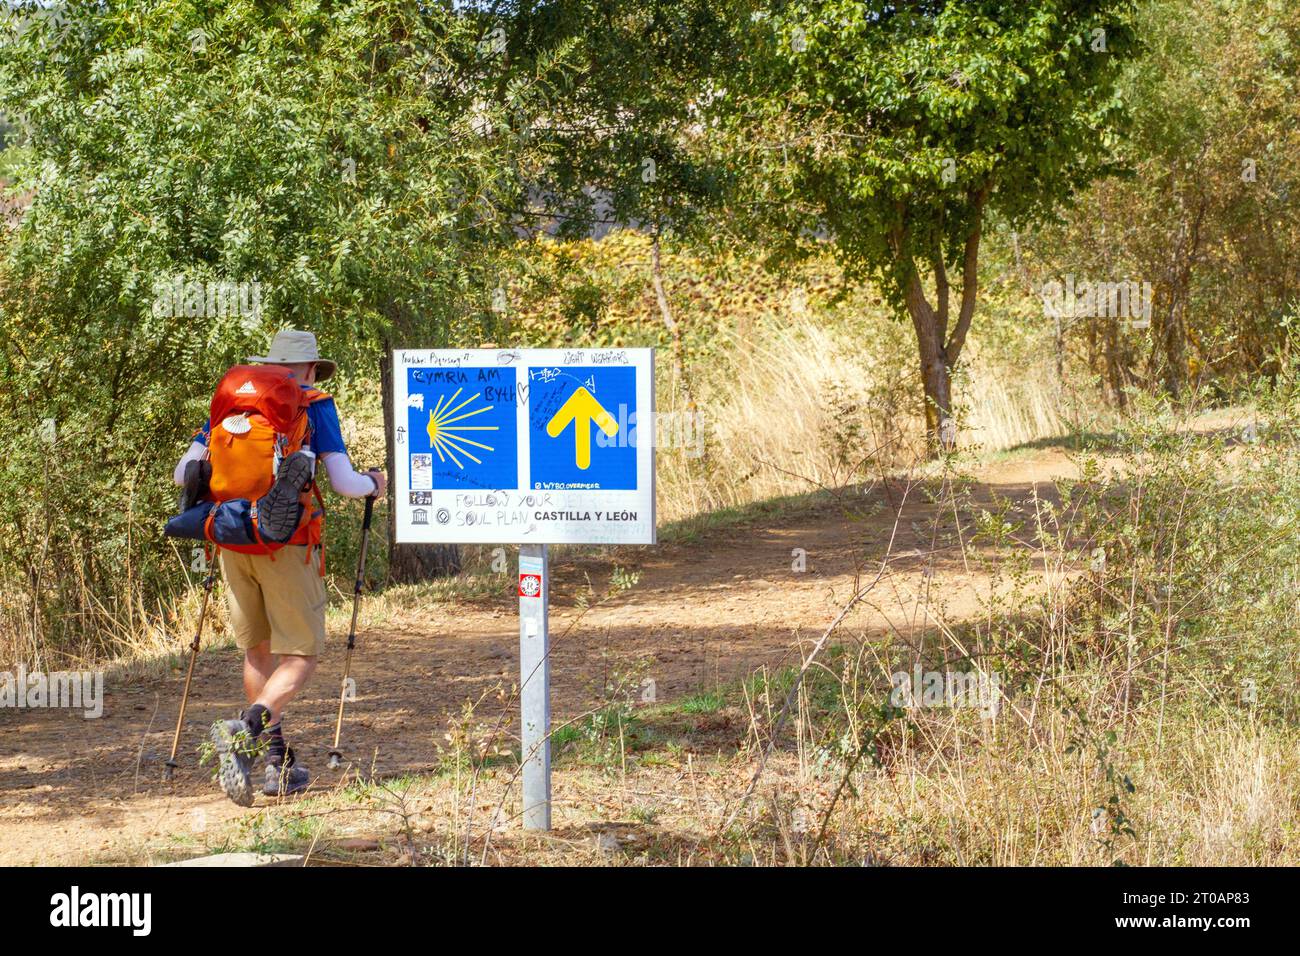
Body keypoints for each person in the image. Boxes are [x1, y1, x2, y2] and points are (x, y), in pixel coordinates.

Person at [172, 330, 386, 804]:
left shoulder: (233, 402)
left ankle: (276, 764)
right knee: (302, 657)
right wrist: (374, 482)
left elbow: (183, 472)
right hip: (288, 544)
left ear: (269, 365)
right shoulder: (313, 404)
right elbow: (344, 482)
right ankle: (245, 728)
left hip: (231, 539)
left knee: (258, 652)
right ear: (309, 368)